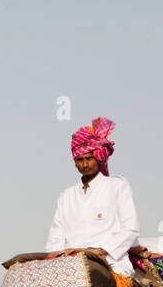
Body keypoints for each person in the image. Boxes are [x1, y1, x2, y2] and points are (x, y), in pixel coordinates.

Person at [44, 117, 139, 277]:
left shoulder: (117, 186)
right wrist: (55, 256)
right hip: (71, 265)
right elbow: (56, 236)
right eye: (80, 160)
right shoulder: (66, 196)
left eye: (89, 158)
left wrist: (101, 250)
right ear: (75, 162)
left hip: (110, 263)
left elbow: (130, 229)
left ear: (98, 158)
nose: (85, 164)